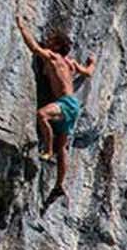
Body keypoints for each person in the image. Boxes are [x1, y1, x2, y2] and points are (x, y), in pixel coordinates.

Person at [16, 12, 95, 203]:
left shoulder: (53, 57)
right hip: (73, 106)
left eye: (51, 40)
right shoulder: (71, 63)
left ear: (57, 46)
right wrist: (92, 63)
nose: (47, 41)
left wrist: (21, 27)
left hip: (65, 104)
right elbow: (88, 73)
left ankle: (48, 150)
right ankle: (59, 185)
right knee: (63, 148)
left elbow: (34, 47)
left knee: (42, 115)